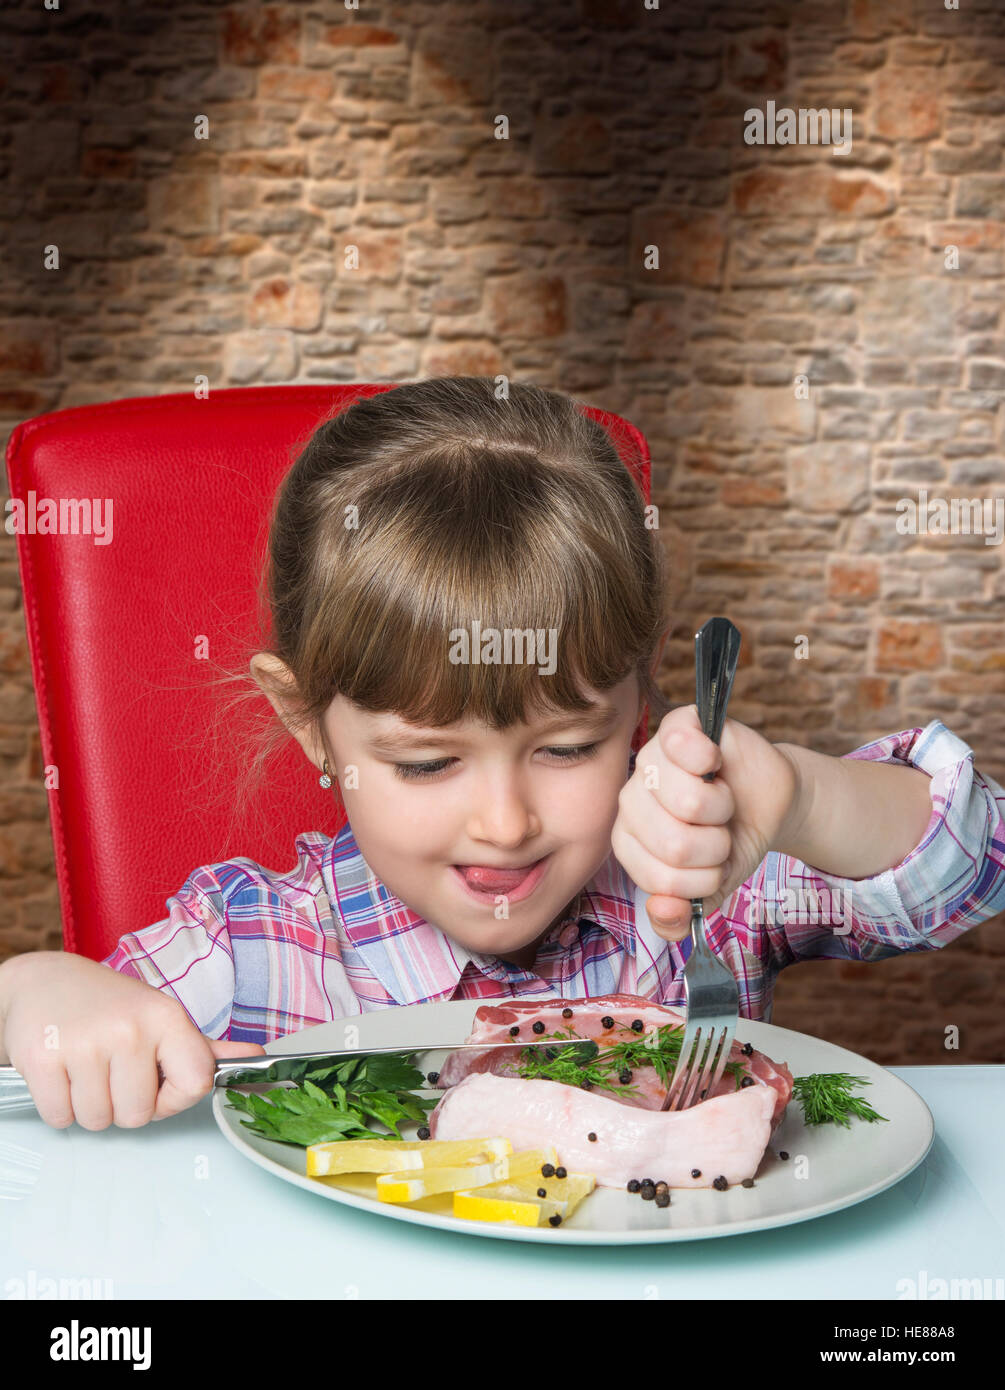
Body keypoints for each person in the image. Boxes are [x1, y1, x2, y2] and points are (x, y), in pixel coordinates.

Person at [1, 377, 1003, 1132]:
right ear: (307, 720)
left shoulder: (700, 888)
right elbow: (64, 1080)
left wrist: (804, 799)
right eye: (429, 763)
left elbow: (977, 865)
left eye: (569, 745)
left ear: (641, 695)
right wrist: (35, 995)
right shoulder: (253, 949)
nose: (507, 821)